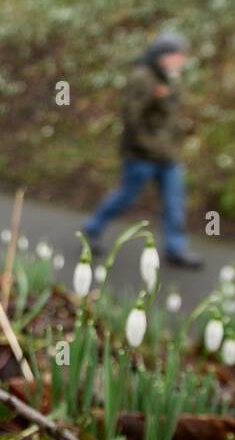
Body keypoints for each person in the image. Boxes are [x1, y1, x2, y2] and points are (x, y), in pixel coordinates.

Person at [82, 32, 203, 268]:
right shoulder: (143, 78)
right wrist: (149, 144)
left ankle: (176, 248)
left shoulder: (171, 78)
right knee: (126, 195)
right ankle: (92, 228)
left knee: (175, 201)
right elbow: (132, 117)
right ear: (163, 56)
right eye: (178, 55)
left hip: (168, 155)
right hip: (142, 155)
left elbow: (170, 115)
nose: (182, 60)